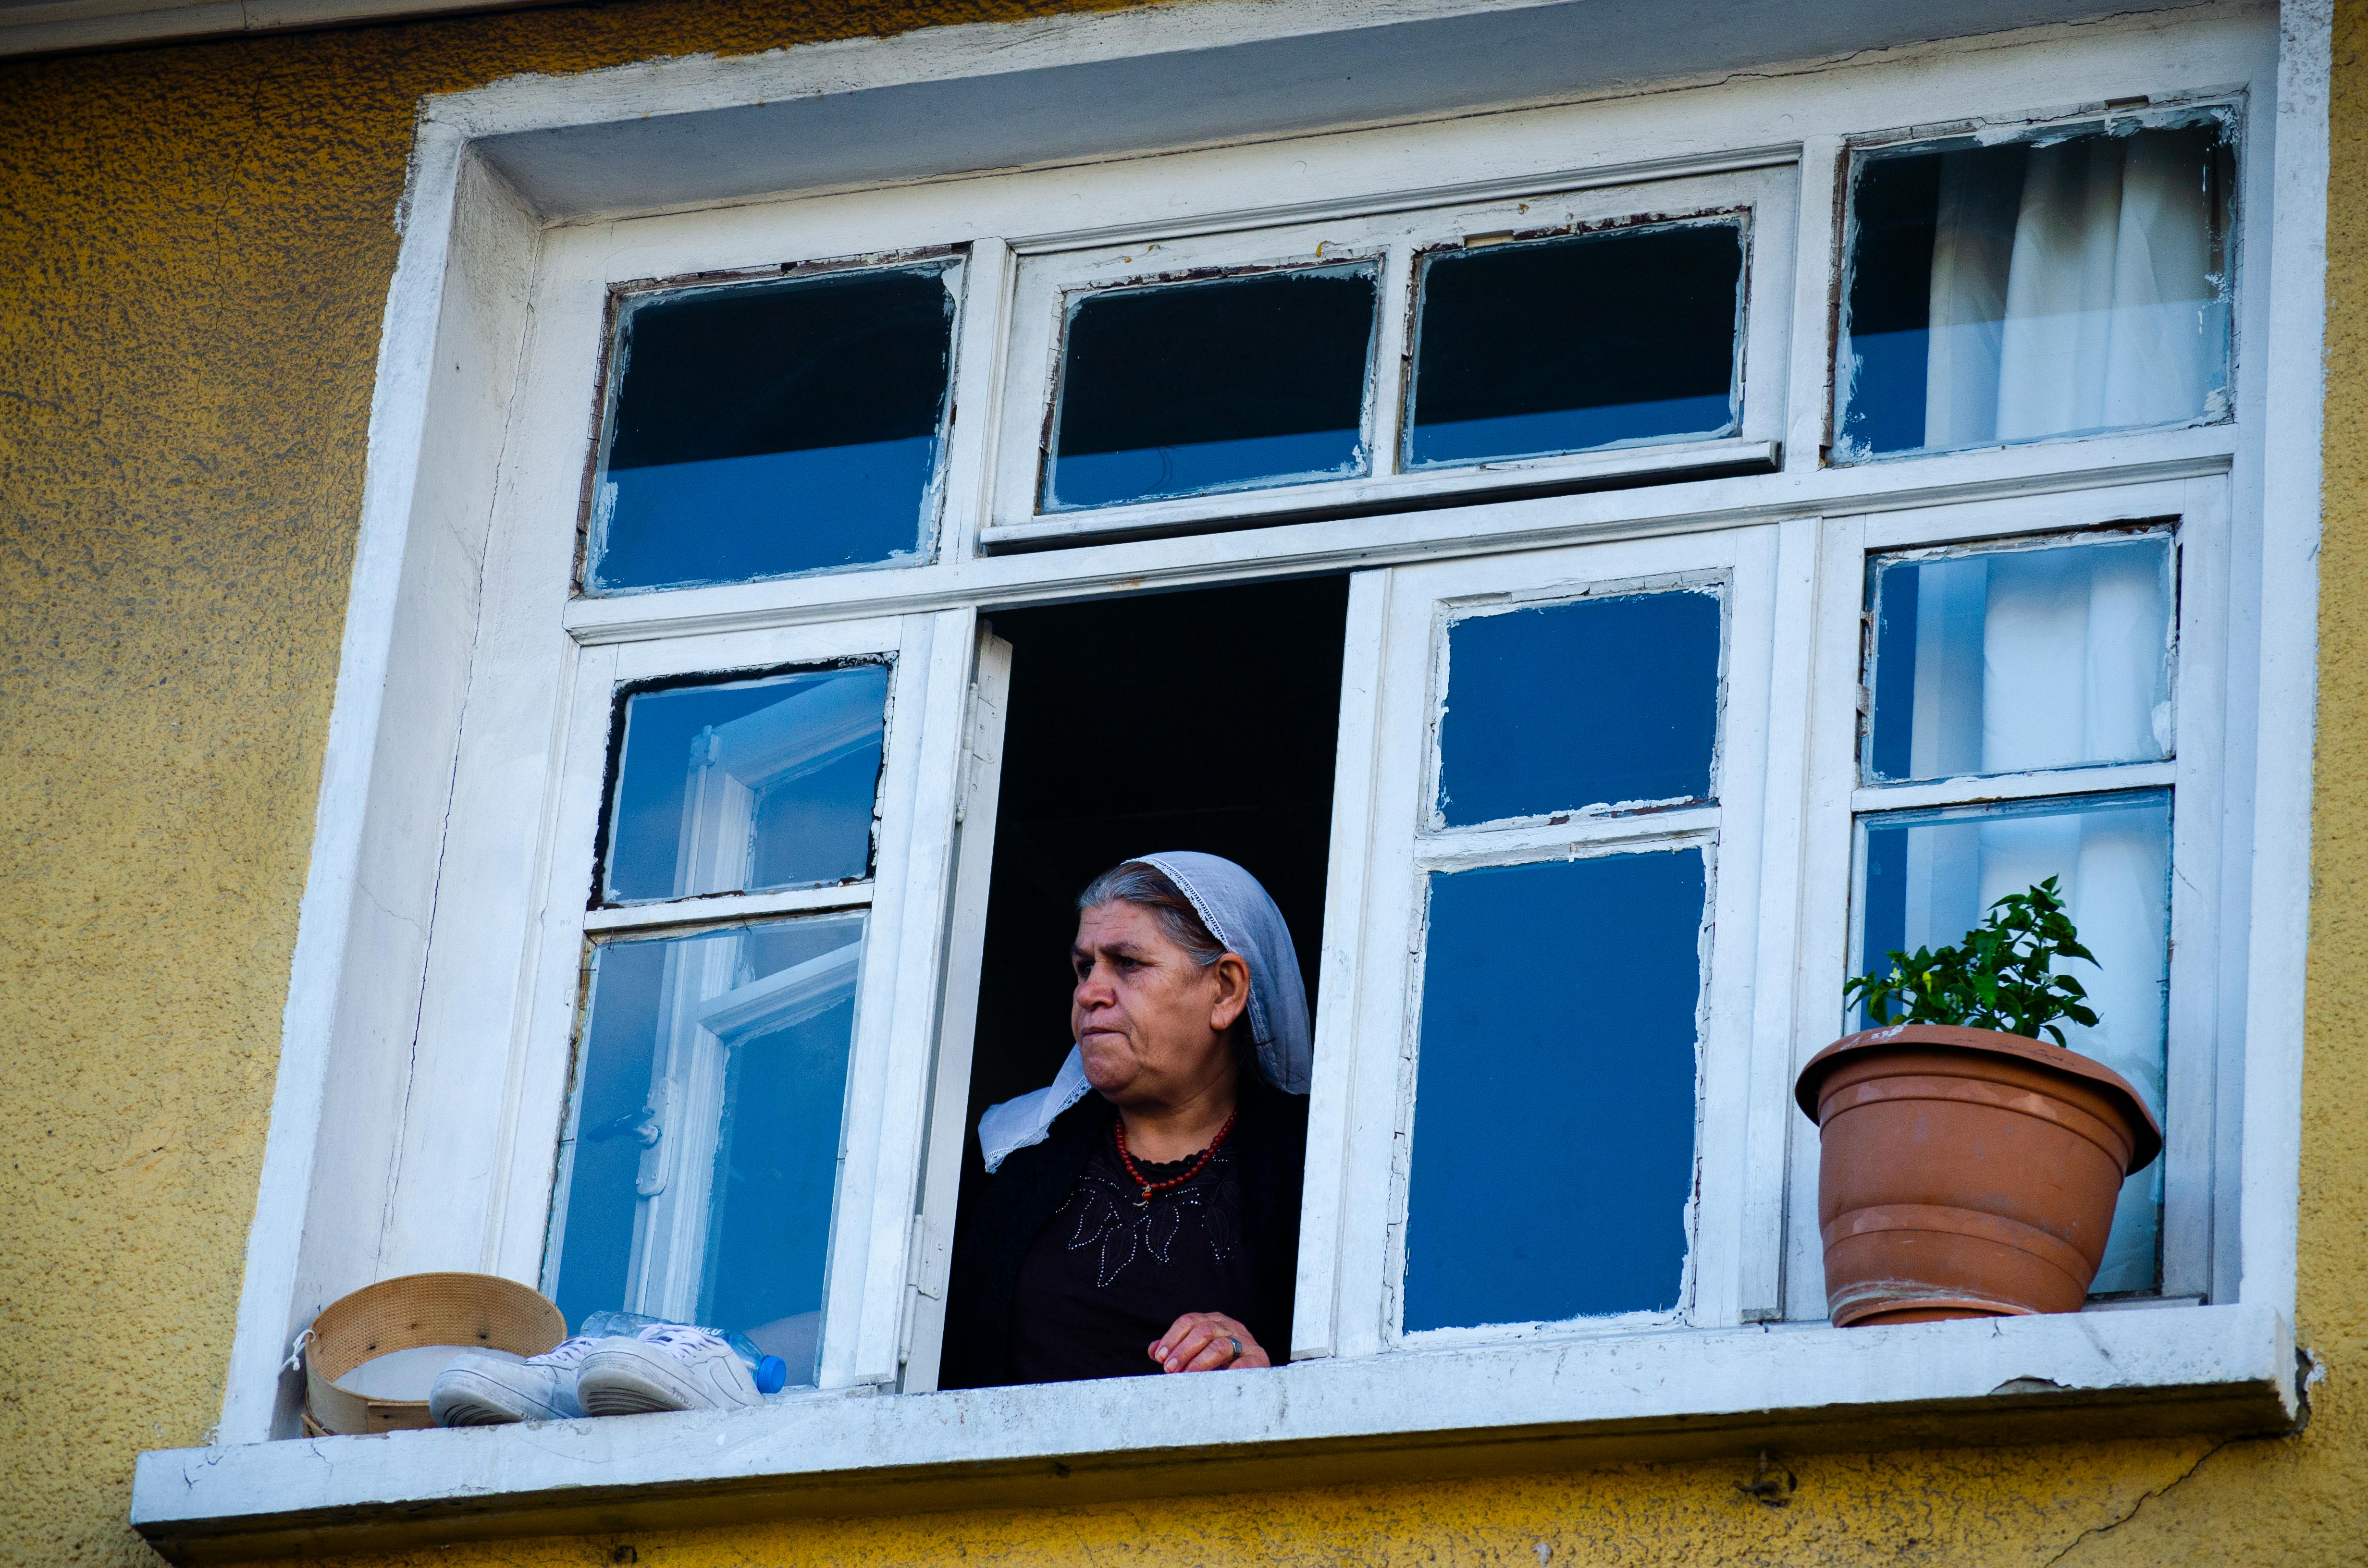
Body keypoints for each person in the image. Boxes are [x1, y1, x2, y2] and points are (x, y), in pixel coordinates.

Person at [942, 852, 1312, 1387]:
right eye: (1084, 967)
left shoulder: (1314, 1171)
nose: (1088, 992)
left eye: (1128, 964)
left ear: (1226, 990)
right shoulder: (1006, 1157)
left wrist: (1261, 1368)